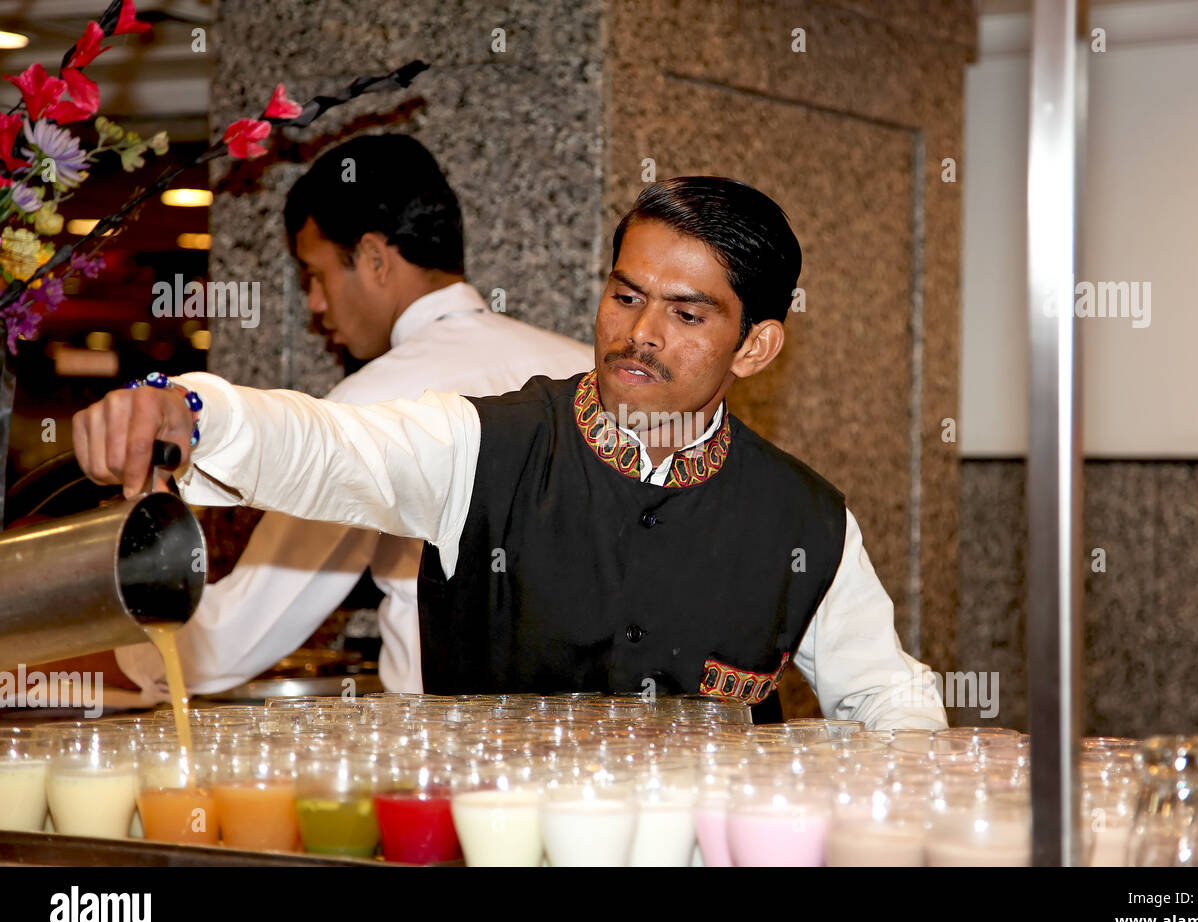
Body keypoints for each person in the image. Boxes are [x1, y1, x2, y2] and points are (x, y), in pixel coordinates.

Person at [75, 176, 947, 729]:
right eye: (624, 295)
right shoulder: (486, 444)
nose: (638, 335)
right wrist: (192, 411)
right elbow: (330, 447)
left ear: (754, 348)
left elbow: (884, 696)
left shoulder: (806, 518)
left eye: (686, 314)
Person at [112, 134, 591, 702]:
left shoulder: (374, 401)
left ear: (373, 258)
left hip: (437, 765)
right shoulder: (585, 367)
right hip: (592, 750)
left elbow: (232, 637)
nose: (315, 305)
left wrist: (92, 639)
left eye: (314, 275)